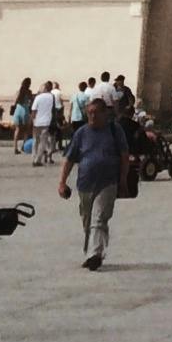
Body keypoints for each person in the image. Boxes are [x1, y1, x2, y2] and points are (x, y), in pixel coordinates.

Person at [58, 95, 131, 269]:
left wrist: (123, 180)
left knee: (99, 219)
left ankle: (95, 254)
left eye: (95, 113)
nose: (92, 116)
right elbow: (69, 159)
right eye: (89, 113)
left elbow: (124, 156)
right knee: (87, 220)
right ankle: (90, 252)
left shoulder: (115, 130)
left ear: (105, 114)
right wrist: (62, 182)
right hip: (85, 184)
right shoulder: (81, 133)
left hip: (107, 183)